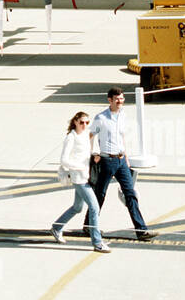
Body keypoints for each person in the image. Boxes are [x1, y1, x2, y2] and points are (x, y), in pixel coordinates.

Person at [89, 87, 157, 240]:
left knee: (130, 194)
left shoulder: (123, 115)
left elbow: (122, 137)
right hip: (107, 160)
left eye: (122, 98)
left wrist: (126, 156)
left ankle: (141, 230)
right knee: (100, 194)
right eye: (117, 99)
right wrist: (94, 153)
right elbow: (90, 135)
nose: (120, 101)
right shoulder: (101, 118)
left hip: (121, 161)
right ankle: (89, 226)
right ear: (110, 100)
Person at [51, 111, 109, 252]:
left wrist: (94, 156)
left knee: (77, 207)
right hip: (79, 178)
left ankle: (56, 227)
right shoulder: (71, 137)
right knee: (94, 207)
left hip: (86, 176)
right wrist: (80, 167)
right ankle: (97, 242)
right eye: (82, 122)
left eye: (87, 122)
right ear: (75, 121)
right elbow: (64, 160)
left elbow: (84, 153)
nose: (84, 125)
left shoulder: (85, 134)